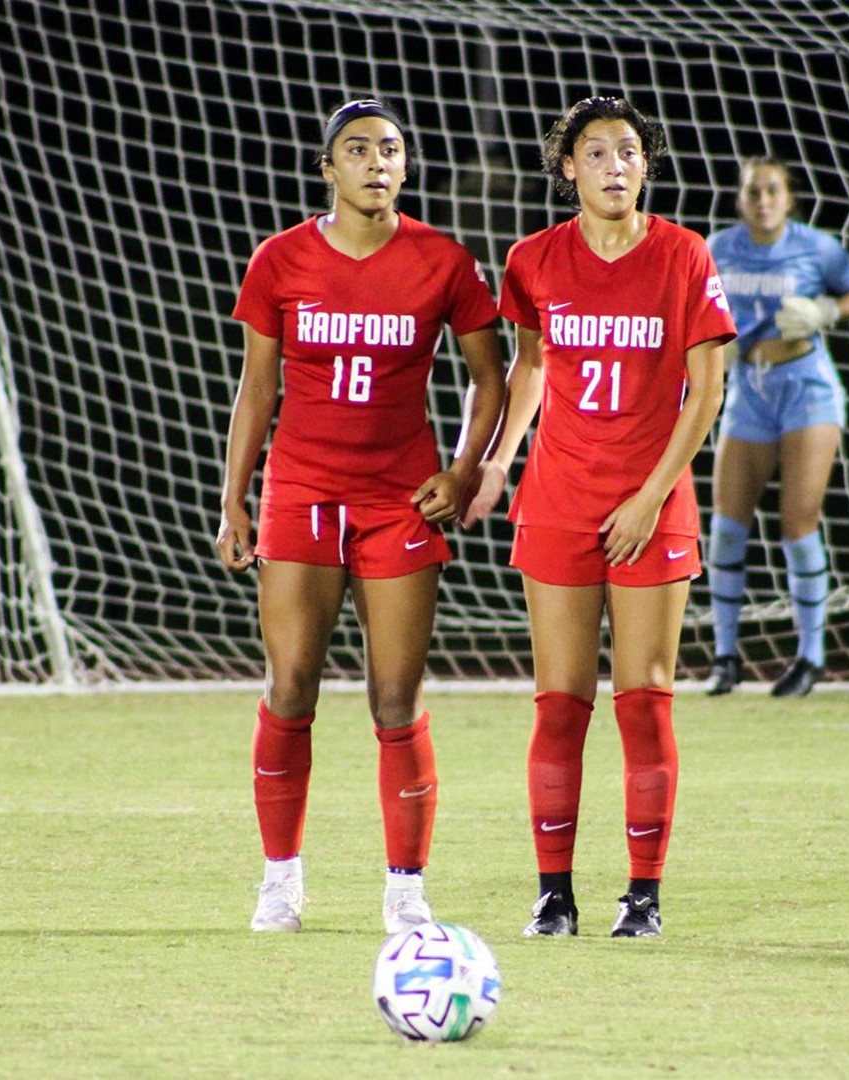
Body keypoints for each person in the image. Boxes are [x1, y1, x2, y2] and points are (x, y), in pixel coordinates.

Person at [219, 99, 506, 934]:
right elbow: (258, 388)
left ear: (405, 167)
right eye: (357, 149)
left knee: (394, 698)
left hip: (398, 498)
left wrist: (464, 469)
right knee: (290, 686)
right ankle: (280, 881)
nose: (376, 161)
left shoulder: (443, 260)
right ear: (328, 169)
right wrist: (235, 498)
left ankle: (406, 892)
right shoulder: (279, 259)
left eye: (390, 148)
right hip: (302, 493)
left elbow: (491, 379)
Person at [463, 96, 735, 938]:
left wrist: (650, 498)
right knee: (560, 703)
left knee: (645, 700)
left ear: (646, 165)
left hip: (653, 503)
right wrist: (498, 460)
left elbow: (707, 392)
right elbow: (532, 366)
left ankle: (643, 898)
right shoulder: (534, 258)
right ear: (567, 168)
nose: (615, 165)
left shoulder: (684, 255)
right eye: (596, 152)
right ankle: (554, 896)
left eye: (628, 151)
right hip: (558, 500)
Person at [703, 158, 849, 698]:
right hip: (748, 390)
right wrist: (711, 345)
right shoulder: (717, 249)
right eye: (753, 191)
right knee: (727, 524)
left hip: (806, 388)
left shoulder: (815, 247)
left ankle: (810, 658)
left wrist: (826, 312)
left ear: (789, 198)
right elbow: (692, 309)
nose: (763, 200)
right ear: (739, 199)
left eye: (772, 191)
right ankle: (725, 658)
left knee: (799, 521)